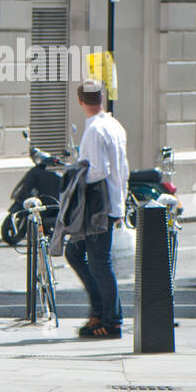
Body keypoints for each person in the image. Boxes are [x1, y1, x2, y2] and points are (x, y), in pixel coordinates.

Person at [65, 80, 129, 338]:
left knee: (101, 263)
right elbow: (122, 169)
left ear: (80, 102)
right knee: (76, 253)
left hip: (96, 205)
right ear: (101, 97)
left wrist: (76, 174)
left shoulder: (94, 130)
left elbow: (99, 170)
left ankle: (111, 321)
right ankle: (100, 311)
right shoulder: (115, 125)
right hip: (111, 201)